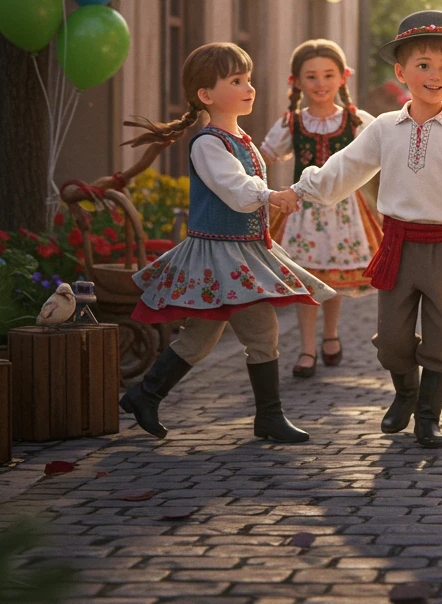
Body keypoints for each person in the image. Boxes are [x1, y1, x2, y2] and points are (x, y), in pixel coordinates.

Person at [283, 11, 442, 448]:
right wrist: (300, 191)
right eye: (423, 65)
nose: (435, 75)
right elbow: (346, 167)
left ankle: (428, 416)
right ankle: (406, 393)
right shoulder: (383, 128)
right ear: (401, 72)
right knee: (393, 337)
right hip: (397, 242)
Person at [119, 43, 331, 444]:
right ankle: (263, 417)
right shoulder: (208, 143)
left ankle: (146, 395)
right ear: (206, 95)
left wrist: (274, 199)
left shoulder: (242, 139)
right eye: (236, 81)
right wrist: (270, 195)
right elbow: (234, 188)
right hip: (219, 256)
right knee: (244, 335)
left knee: (216, 338)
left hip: (243, 252)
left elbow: (244, 189)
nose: (248, 87)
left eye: (247, 79)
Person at [260, 39, 381, 378]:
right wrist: (262, 192)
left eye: (328, 75)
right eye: (311, 76)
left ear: (343, 78)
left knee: (334, 273)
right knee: (306, 278)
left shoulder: (357, 121)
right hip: (303, 210)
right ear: (296, 81)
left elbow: (384, 150)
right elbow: (263, 157)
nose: (321, 84)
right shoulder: (292, 123)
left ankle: (331, 333)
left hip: (345, 210)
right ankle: (307, 348)